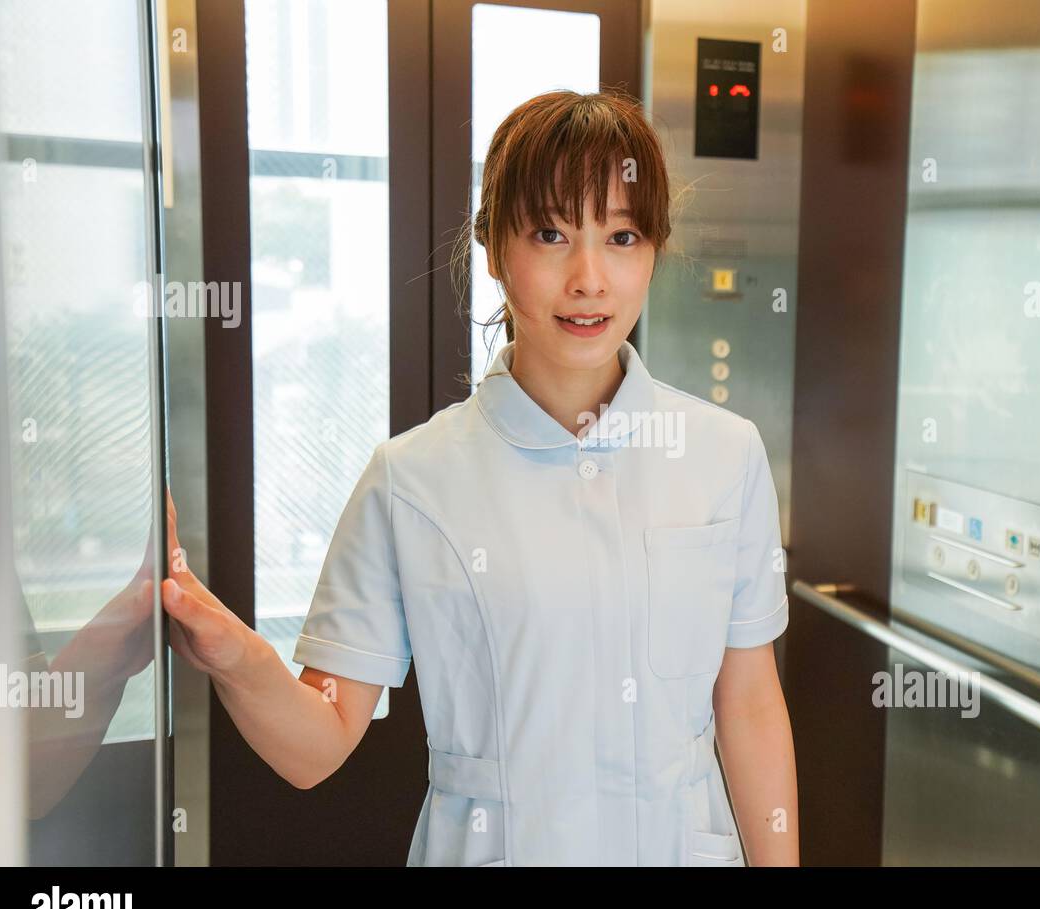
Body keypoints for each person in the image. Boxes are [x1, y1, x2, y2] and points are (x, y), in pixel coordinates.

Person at [162, 89, 798, 866]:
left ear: (654, 249)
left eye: (623, 235)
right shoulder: (413, 478)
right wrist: (237, 656)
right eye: (550, 233)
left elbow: (750, 704)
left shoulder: (723, 455)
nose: (590, 278)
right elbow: (315, 746)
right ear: (494, 249)